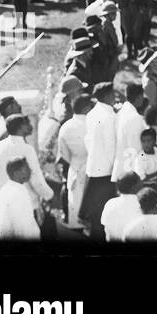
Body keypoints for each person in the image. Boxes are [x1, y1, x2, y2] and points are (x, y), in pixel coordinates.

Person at [81, 82, 119, 240]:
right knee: (104, 215)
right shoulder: (110, 117)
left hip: (93, 168)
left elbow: (87, 141)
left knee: (95, 213)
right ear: (108, 96)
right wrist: (115, 172)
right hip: (106, 172)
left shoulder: (91, 114)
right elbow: (111, 147)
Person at [55, 95, 93, 230]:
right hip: (92, 167)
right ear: (87, 108)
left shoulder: (65, 127)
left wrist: (75, 161)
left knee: (75, 202)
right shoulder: (92, 124)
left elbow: (64, 154)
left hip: (75, 166)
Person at [0, 158, 43, 240]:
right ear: (17, 173)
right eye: (27, 168)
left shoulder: (6, 188)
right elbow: (22, 228)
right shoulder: (17, 193)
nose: (30, 170)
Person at [114, 83, 148, 180]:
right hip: (130, 171)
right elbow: (136, 148)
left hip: (121, 167)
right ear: (139, 97)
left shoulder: (121, 112)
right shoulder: (134, 117)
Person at [100, 173, 145, 242]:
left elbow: (104, 224)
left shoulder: (110, 203)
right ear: (134, 187)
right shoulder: (141, 204)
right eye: (140, 181)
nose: (142, 183)